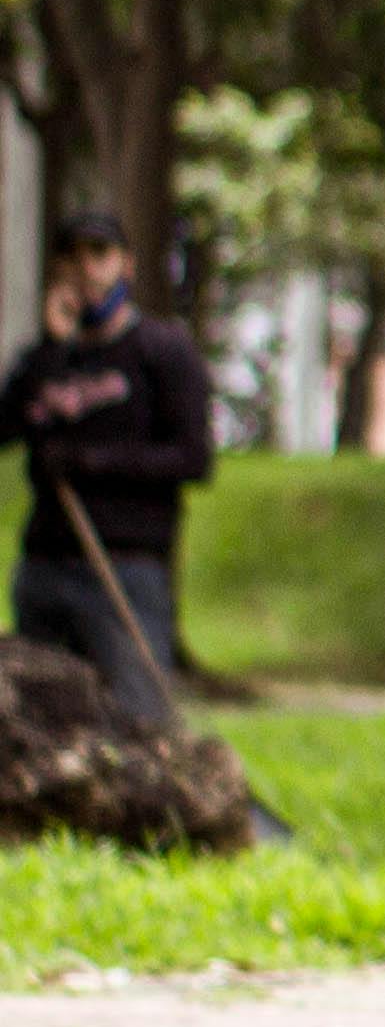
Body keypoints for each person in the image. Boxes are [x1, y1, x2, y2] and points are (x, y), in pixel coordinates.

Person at [4, 210, 215, 728]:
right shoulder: (45, 360)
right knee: (39, 729)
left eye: (99, 254)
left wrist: (91, 461)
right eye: (72, 256)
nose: (86, 269)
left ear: (127, 265)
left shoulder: (161, 353)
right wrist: (55, 345)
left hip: (124, 567)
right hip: (45, 565)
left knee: (140, 724)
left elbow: (194, 459)